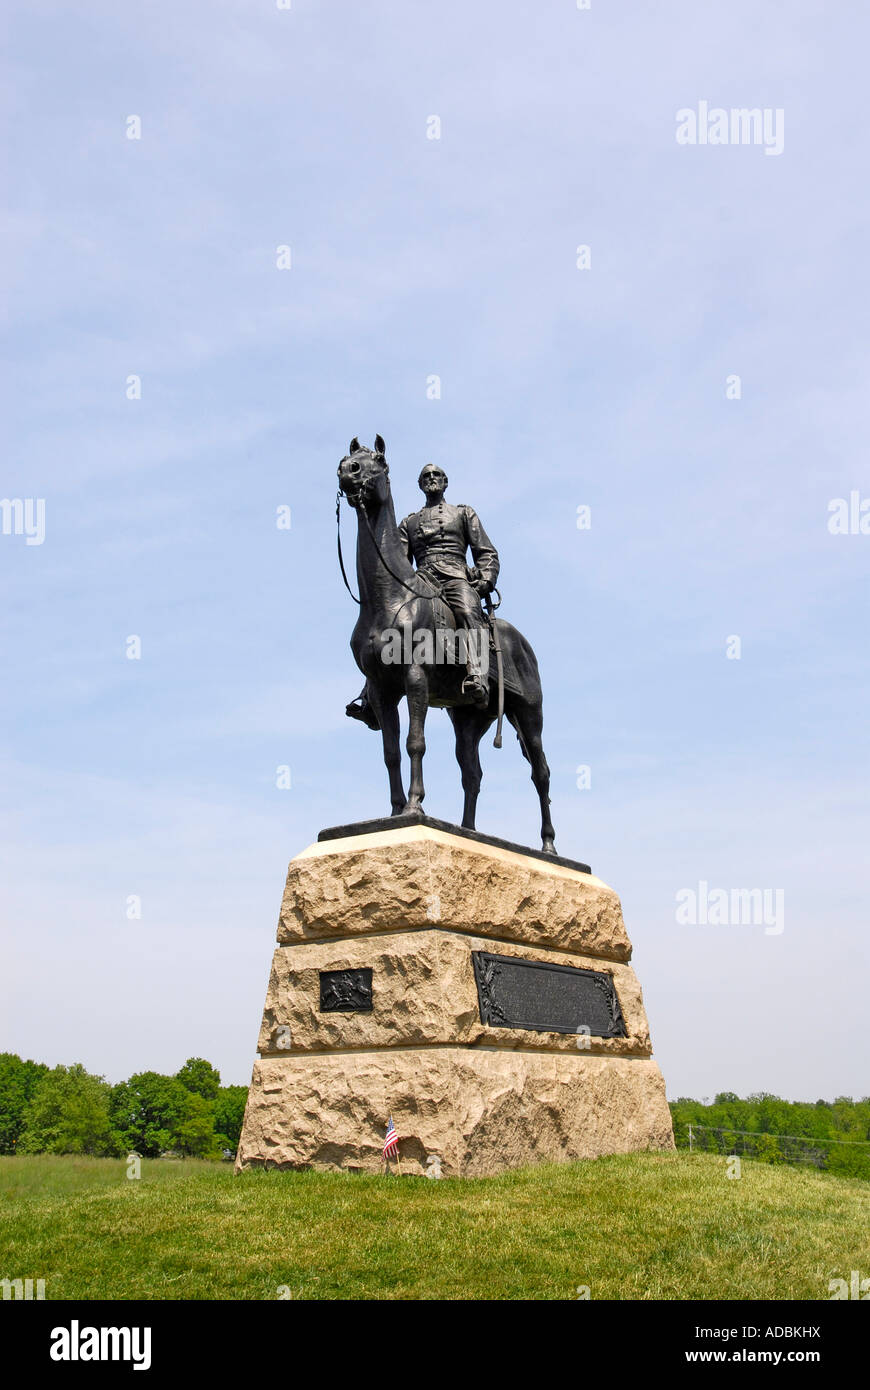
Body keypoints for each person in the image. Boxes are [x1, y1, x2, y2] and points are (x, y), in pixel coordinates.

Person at [346, 463, 500, 727]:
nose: (431, 479)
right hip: (423, 580)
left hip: (455, 576)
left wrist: (486, 578)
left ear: (445, 482)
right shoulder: (409, 522)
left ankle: (478, 674)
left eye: (436, 475)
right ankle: (369, 697)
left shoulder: (463, 513)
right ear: (420, 484)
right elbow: (397, 560)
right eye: (426, 476)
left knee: (466, 610)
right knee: (388, 628)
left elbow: (487, 552)